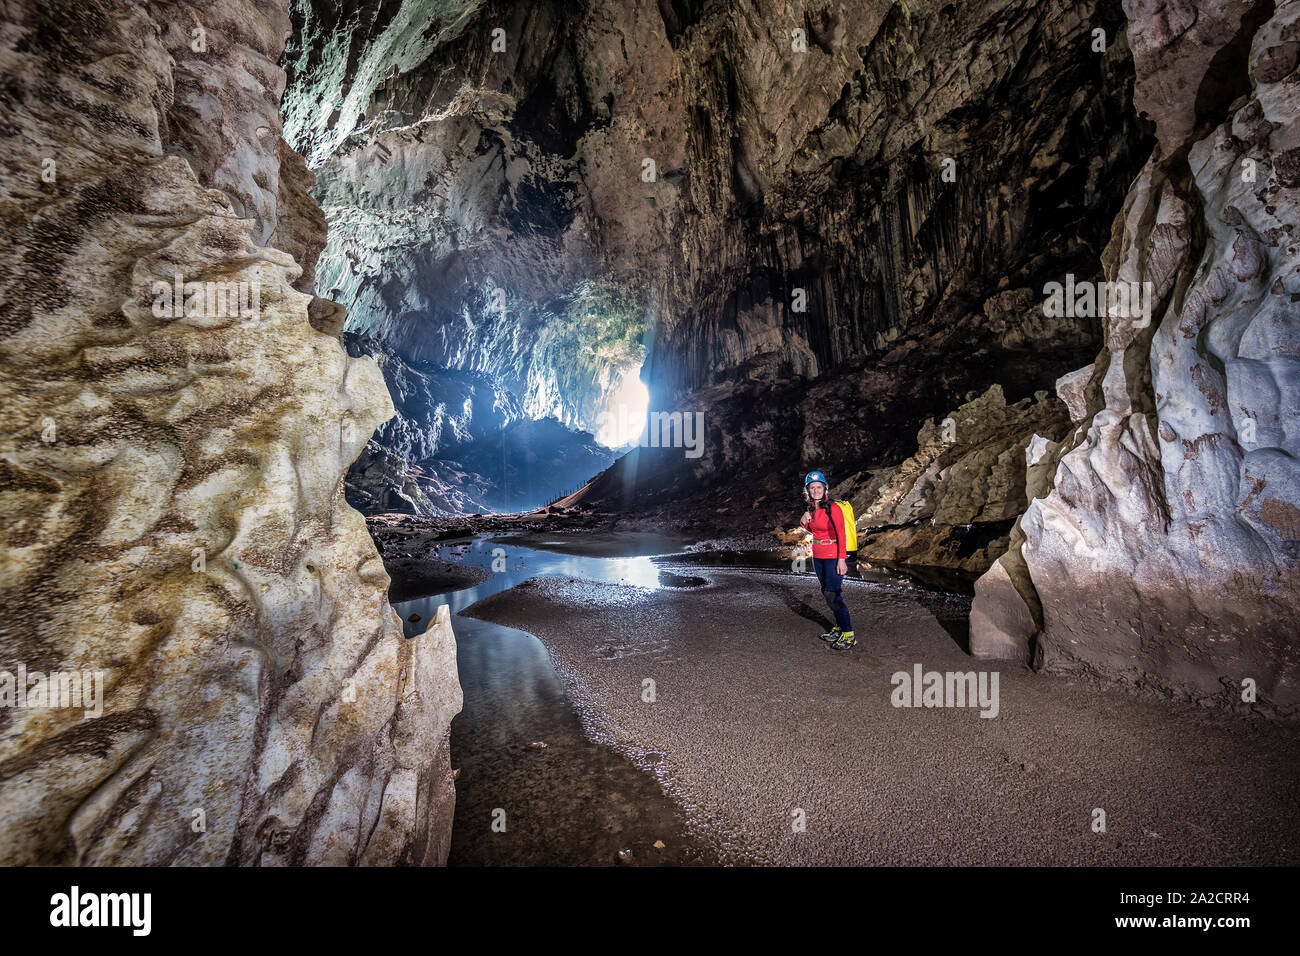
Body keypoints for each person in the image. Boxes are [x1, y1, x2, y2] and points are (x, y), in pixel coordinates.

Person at [799, 471, 855, 649]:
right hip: (818, 556)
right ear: (808, 491)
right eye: (812, 488)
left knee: (834, 595)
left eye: (819, 487)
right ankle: (839, 628)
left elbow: (841, 534)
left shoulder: (834, 508)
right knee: (826, 592)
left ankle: (848, 634)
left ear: (825, 489)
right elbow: (815, 530)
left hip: (833, 556)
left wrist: (841, 560)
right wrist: (803, 521)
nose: (816, 490)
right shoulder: (811, 509)